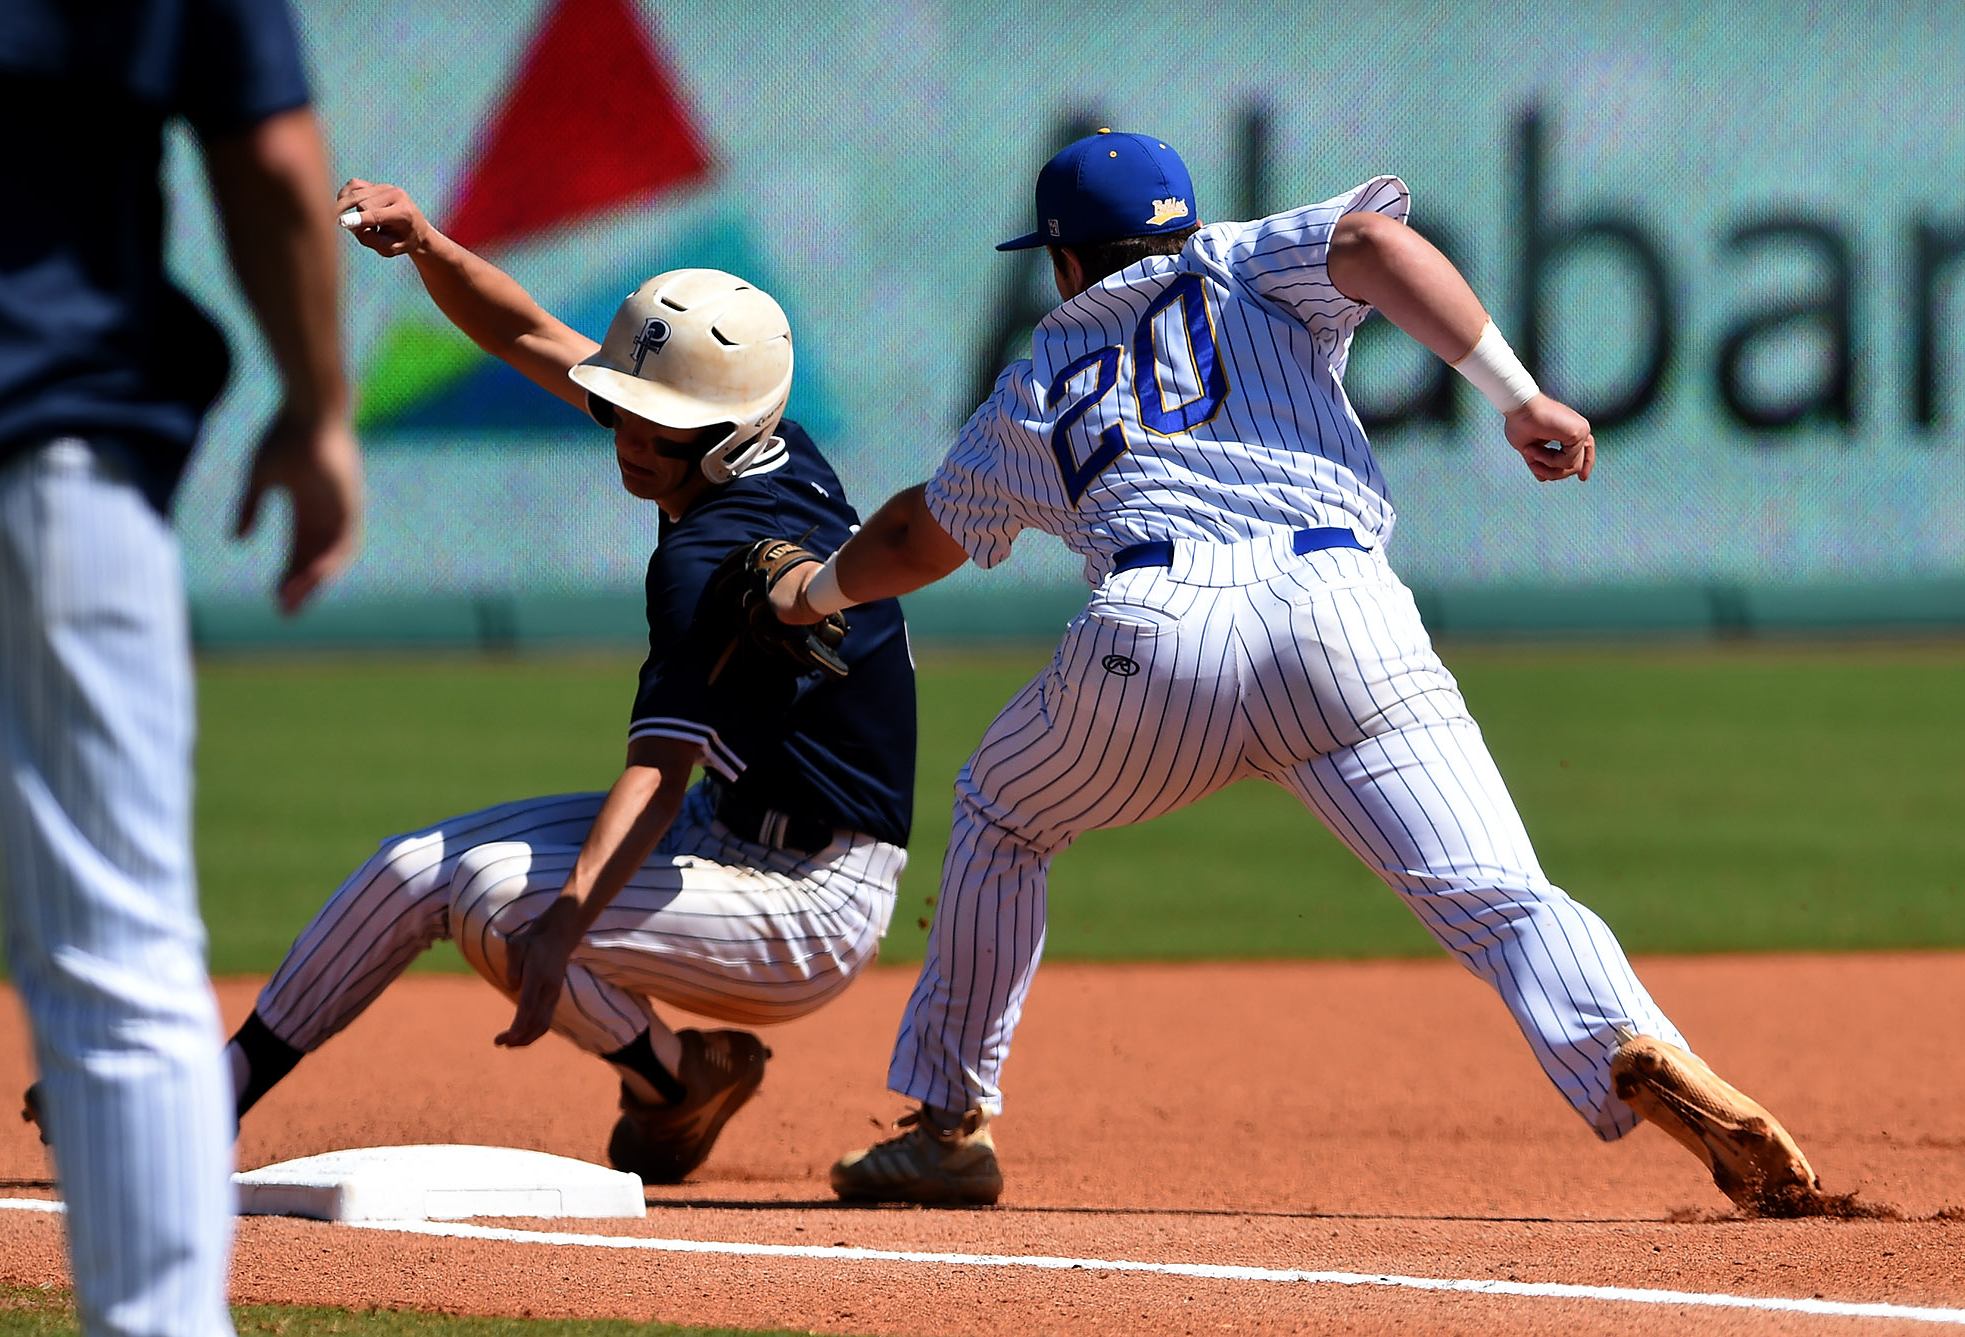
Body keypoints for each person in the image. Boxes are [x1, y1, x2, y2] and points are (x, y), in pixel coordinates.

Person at [767, 129, 1820, 1210]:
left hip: (1151, 633)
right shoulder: (1234, 258)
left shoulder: (1038, 375)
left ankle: (947, 1124)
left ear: (1064, 261)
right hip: (1341, 613)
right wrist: (1515, 394)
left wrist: (808, 594)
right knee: (1500, 895)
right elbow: (1369, 239)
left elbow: (913, 536)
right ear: (1175, 222)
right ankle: (1627, 1039)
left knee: (1001, 812)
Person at [209, 181, 917, 1184]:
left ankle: (672, 1078)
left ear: (722, 431)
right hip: (722, 835)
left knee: (502, 903)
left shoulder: (708, 554)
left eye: (653, 420)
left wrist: (566, 926)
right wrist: (427, 245)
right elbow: (526, 333)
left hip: (811, 898)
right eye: (623, 407)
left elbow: (658, 771)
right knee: (414, 869)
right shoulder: (741, 445)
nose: (627, 435)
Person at [0, 1, 361, 1332]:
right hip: (36, 422)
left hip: (38, 426)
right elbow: (273, 163)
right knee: (115, 945)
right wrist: (315, 410)